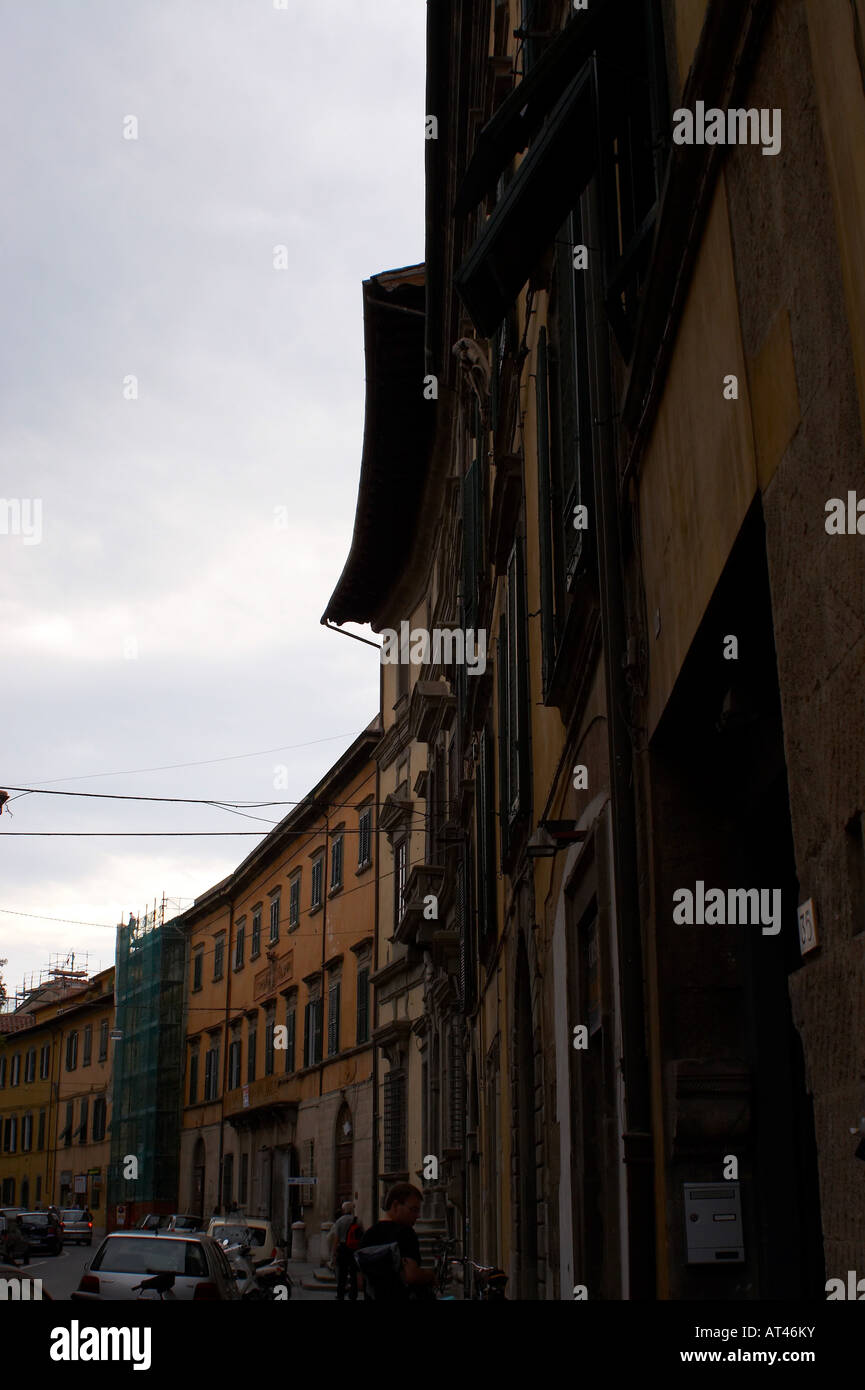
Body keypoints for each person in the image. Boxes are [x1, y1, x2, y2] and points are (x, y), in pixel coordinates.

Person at [356, 1184, 437, 1301]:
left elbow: (360, 1282)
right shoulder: (405, 1233)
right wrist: (430, 1276)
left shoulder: (368, 1235)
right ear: (395, 1206)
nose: (418, 1215)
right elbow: (411, 1275)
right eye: (413, 1210)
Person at [330, 1202, 362, 1301]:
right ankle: (353, 1295)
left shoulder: (339, 1221)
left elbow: (336, 1239)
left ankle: (340, 1294)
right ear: (352, 1210)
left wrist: (334, 1253)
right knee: (353, 1274)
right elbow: (362, 1236)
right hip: (354, 1250)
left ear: (343, 1210)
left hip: (343, 1249)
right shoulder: (357, 1221)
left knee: (342, 1274)